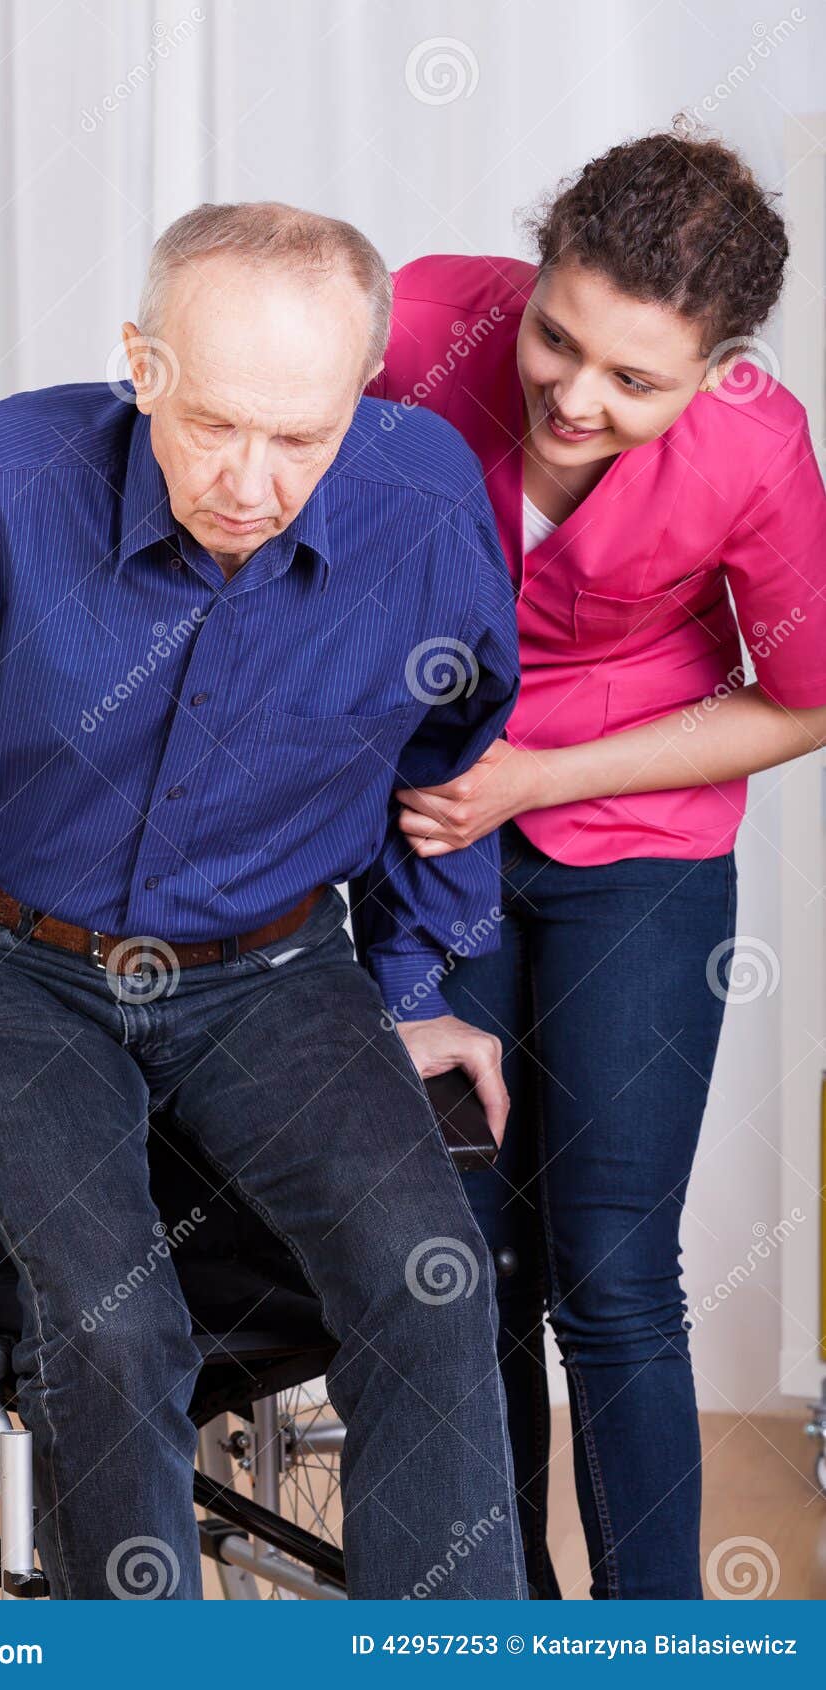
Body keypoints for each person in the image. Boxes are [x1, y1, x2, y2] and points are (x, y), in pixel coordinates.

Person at [0, 202, 529, 1600]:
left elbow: (452, 757)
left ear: (362, 394)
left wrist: (416, 987)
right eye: (217, 424)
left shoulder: (423, 504)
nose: (252, 480)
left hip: (279, 965)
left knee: (436, 1272)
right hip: (9, 956)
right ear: (141, 363)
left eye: (302, 437)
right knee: (115, 1328)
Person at [365, 128, 826, 1599]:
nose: (572, 397)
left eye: (635, 380)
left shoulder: (755, 445)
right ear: (536, 268)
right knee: (468, 1263)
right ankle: (508, 1619)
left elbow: (805, 697)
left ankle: (655, 1639)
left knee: (611, 1271)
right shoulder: (429, 320)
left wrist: (545, 775)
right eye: (559, 341)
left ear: (718, 363)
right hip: (436, 843)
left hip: (638, 840)